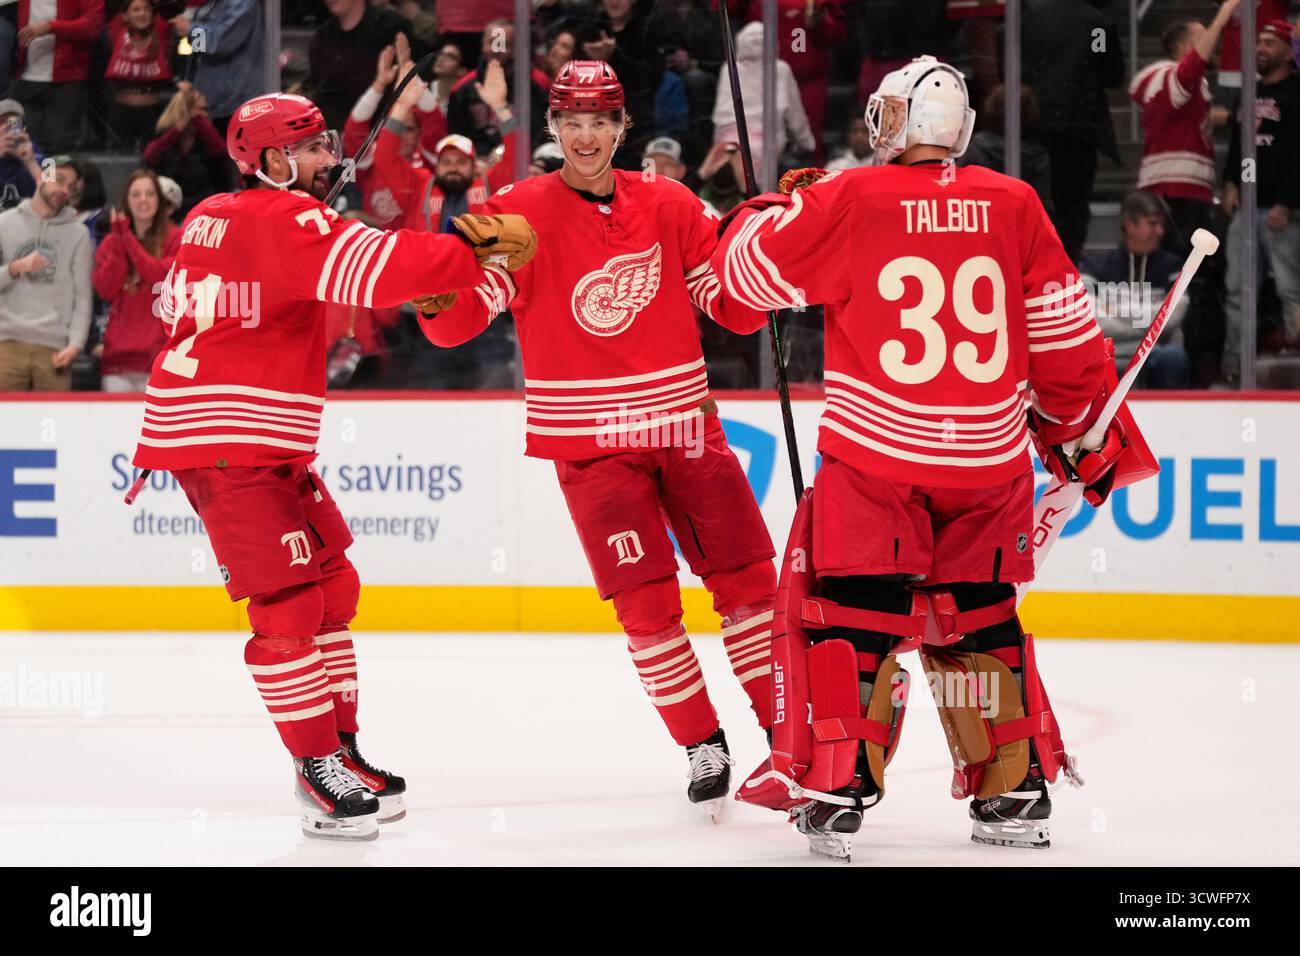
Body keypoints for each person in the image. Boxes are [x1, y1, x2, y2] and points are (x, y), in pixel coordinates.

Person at [713, 56, 1150, 859]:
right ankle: (1013, 793)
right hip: (987, 461)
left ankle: (838, 788)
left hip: (877, 454)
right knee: (977, 619)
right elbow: (1064, 339)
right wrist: (1082, 430)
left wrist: (769, 209)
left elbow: (741, 287)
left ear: (901, 122)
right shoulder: (1013, 202)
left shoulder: (849, 196)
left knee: (854, 614)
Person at [128, 91, 535, 840]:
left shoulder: (213, 213)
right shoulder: (285, 218)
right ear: (275, 160)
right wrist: (475, 244)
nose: (331, 159)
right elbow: (377, 269)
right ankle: (316, 768)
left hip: (247, 436)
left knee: (332, 583)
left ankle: (340, 750)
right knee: (285, 605)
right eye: (313, 148)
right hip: (230, 440)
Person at [414, 61, 777, 816]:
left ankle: (786, 733)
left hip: (687, 429)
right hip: (589, 443)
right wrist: (435, 282)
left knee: (748, 587)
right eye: (572, 121)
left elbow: (733, 309)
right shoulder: (514, 213)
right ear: (554, 127)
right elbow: (456, 323)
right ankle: (701, 741)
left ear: (622, 129)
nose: (585, 135)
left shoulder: (672, 202)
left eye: (599, 121)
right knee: (647, 609)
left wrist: (759, 243)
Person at [1222, 18, 1300, 383]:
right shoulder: (1249, 92)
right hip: (1249, 206)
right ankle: (1238, 364)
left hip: (1283, 210)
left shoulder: (1297, 92)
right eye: (1259, 43)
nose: (1261, 49)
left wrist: (1288, 201)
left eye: (1269, 43)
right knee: (1238, 288)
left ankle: (1295, 358)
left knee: (1290, 287)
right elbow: (1239, 142)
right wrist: (1229, 181)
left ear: (1287, 48)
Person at [1022, 0, 1125, 262]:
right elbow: (1112, 76)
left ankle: (1030, 269)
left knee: (1032, 206)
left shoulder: (1029, 16)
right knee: (1072, 209)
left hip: (1031, 126)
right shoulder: (1097, 24)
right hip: (1078, 129)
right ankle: (1065, 273)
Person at [0, 156, 93, 390]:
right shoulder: (4, 223)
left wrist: (75, 345)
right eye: (59, 179)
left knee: (53, 427)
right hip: (7, 343)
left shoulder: (78, 234)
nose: (64, 190)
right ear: (40, 177)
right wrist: (15, 268)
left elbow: (83, 298)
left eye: (71, 187)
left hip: (54, 348)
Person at [1080, 191, 1190, 388]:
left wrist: (1114, 311)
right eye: (1152, 224)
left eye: (1160, 224)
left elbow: (1172, 316)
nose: (1160, 231)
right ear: (1130, 225)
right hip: (1105, 351)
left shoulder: (1173, 267)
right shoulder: (1094, 266)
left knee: (1173, 358)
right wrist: (1146, 327)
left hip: (1156, 351)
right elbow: (1088, 318)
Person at [92, 169, 180, 391]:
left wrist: (127, 238)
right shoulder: (113, 242)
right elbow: (106, 289)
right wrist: (118, 242)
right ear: (126, 201)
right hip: (118, 357)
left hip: (158, 356)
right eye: (136, 194)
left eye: (150, 194)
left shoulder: (175, 238)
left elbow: (159, 277)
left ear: (159, 200)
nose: (143, 200)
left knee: (153, 425)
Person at [711, 22, 814, 174]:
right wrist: (807, 144)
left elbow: (720, 118)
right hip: (760, 147)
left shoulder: (729, 68)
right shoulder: (779, 69)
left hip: (729, 146)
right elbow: (795, 117)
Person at [309, 0, 420, 132]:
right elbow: (323, 98)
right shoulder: (322, 39)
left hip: (390, 131)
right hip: (341, 137)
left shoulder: (393, 27)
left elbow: (415, 80)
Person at [11, 0, 104, 152]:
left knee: (56, 153)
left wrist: (51, 26)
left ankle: (49, 176)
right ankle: (32, 176)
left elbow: (93, 25)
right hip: (25, 78)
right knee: (21, 149)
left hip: (65, 81)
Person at [169, 0, 263, 136]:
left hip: (234, 102)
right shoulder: (213, 3)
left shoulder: (242, 3)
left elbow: (221, 44)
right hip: (212, 100)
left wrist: (190, 31)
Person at [142, 84, 231, 218]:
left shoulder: (209, 137)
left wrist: (198, 120)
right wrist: (178, 130)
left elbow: (222, 154)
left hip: (206, 205)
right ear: (183, 110)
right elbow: (150, 156)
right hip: (169, 206)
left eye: (205, 110)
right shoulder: (164, 136)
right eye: (200, 110)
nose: (204, 114)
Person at [103, 0, 175, 150]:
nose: (142, 14)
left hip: (153, 113)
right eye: (136, 10)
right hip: (120, 113)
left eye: (146, 10)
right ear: (125, 16)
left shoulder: (160, 30)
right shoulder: (116, 31)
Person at [0, 100, 44, 211]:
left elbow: (54, 193)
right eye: (0, 122)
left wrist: (31, 162)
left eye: (12, 123)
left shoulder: (47, 161)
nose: (6, 128)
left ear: (23, 128)